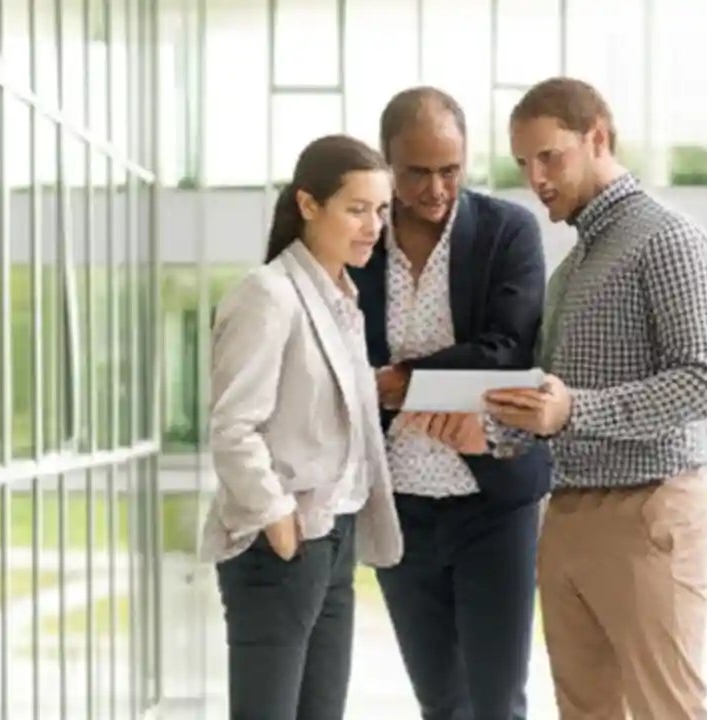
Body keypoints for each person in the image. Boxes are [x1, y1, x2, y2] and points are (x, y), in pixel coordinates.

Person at [486, 77, 707, 720]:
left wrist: (575, 411)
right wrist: (502, 428)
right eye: (524, 163)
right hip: (566, 514)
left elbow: (706, 380)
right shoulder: (572, 265)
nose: (536, 178)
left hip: (648, 514)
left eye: (550, 156)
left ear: (598, 136)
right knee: (584, 711)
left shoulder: (668, 240)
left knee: (666, 710)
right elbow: (556, 396)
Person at [347, 86, 551, 720]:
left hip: (493, 504)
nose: (436, 189)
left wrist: (404, 380)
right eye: (416, 172)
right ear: (385, 163)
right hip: (399, 506)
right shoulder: (359, 245)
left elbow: (508, 348)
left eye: (450, 170)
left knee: (498, 704)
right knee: (440, 703)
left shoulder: (507, 231)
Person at [201, 134, 404, 720]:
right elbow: (234, 426)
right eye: (357, 209)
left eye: (381, 211)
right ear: (309, 205)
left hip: (333, 537)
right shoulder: (267, 295)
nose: (373, 227)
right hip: (280, 541)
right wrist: (277, 517)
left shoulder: (343, 299)